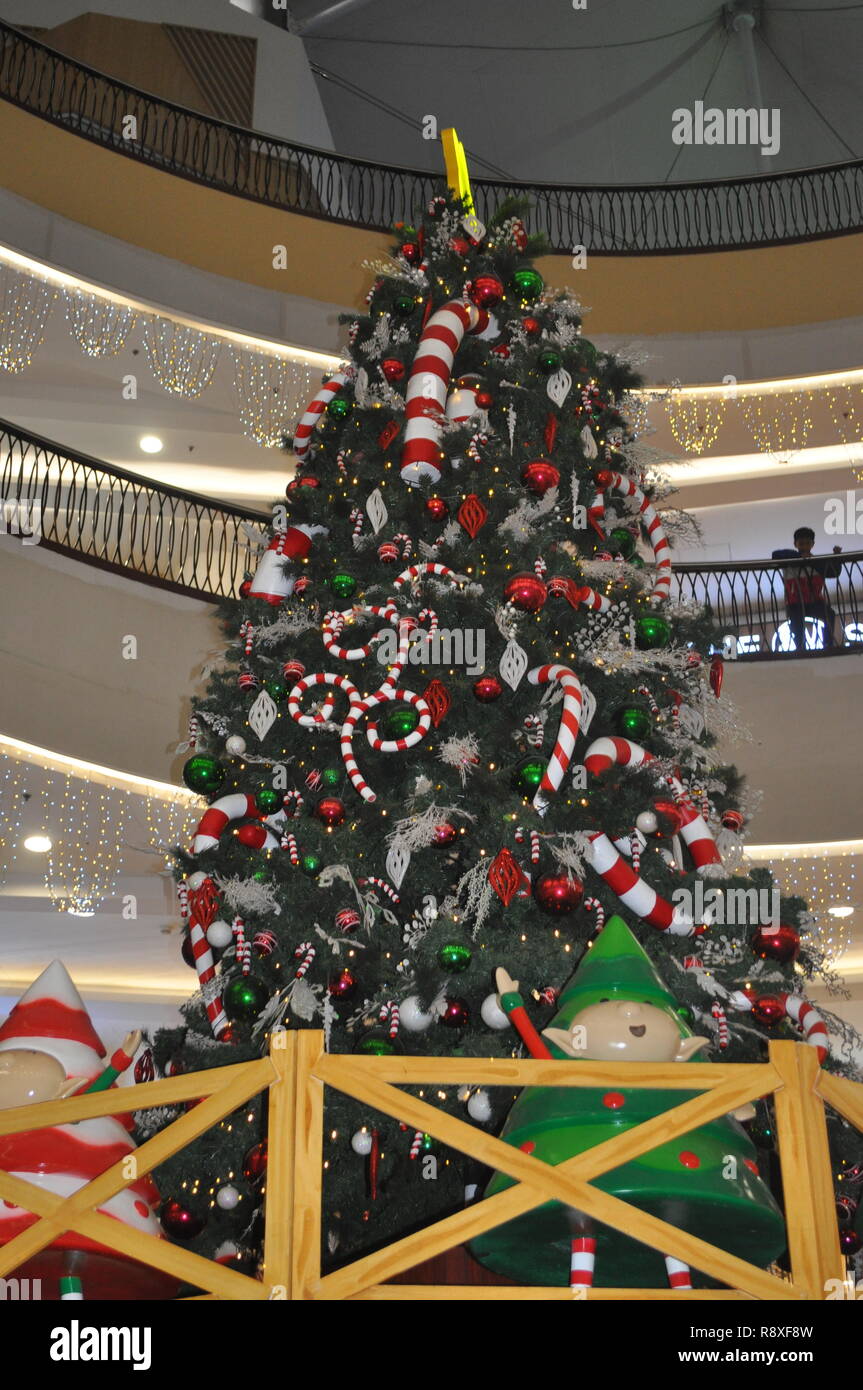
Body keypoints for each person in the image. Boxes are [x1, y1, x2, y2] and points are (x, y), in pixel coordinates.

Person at [772, 527, 843, 651]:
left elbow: (834, 572)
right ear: (795, 544)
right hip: (795, 603)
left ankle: (828, 645)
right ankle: (800, 647)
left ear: (812, 544)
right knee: (796, 624)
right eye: (801, 544)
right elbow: (775, 555)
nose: (804, 547)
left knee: (829, 614)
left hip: (814, 602)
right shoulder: (788, 560)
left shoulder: (818, 563)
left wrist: (837, 558)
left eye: (807, 543)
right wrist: (800, 557)